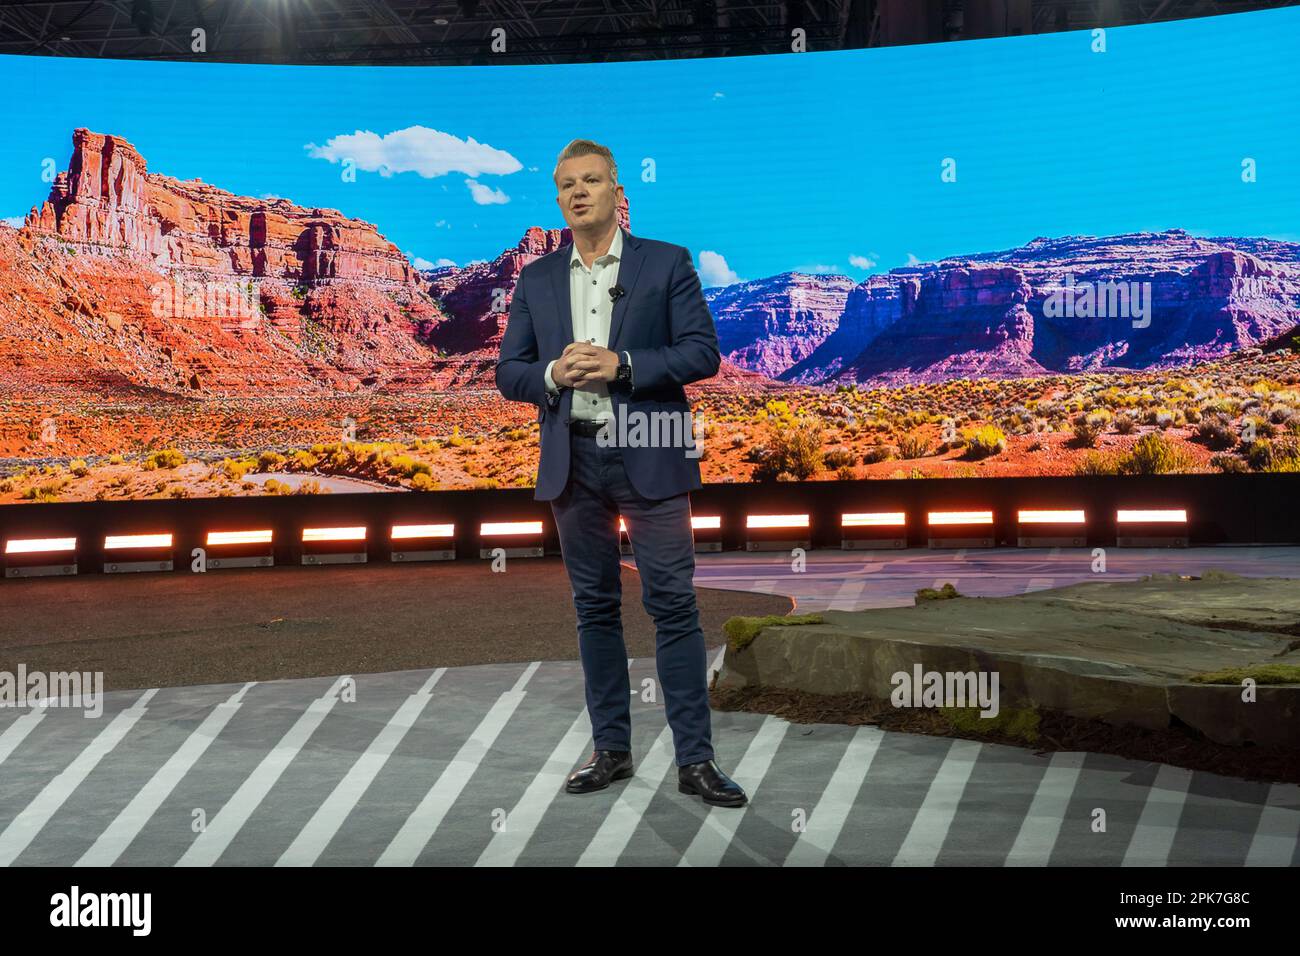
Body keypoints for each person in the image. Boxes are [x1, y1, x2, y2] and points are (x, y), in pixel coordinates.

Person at [494, 138, 747, 808]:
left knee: (672, 604)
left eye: (591, 181)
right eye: (566, 185)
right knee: (595, 608)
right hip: (573, 457)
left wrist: (623, 366)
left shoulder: (666, 264)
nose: (578, 193)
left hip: (649, 444)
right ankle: (612, 750)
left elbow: (702, 353)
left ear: (615, 191)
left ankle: (696, 760)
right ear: (559, 198)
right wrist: (551, 373)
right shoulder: (536, 279)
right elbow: (507, 372)